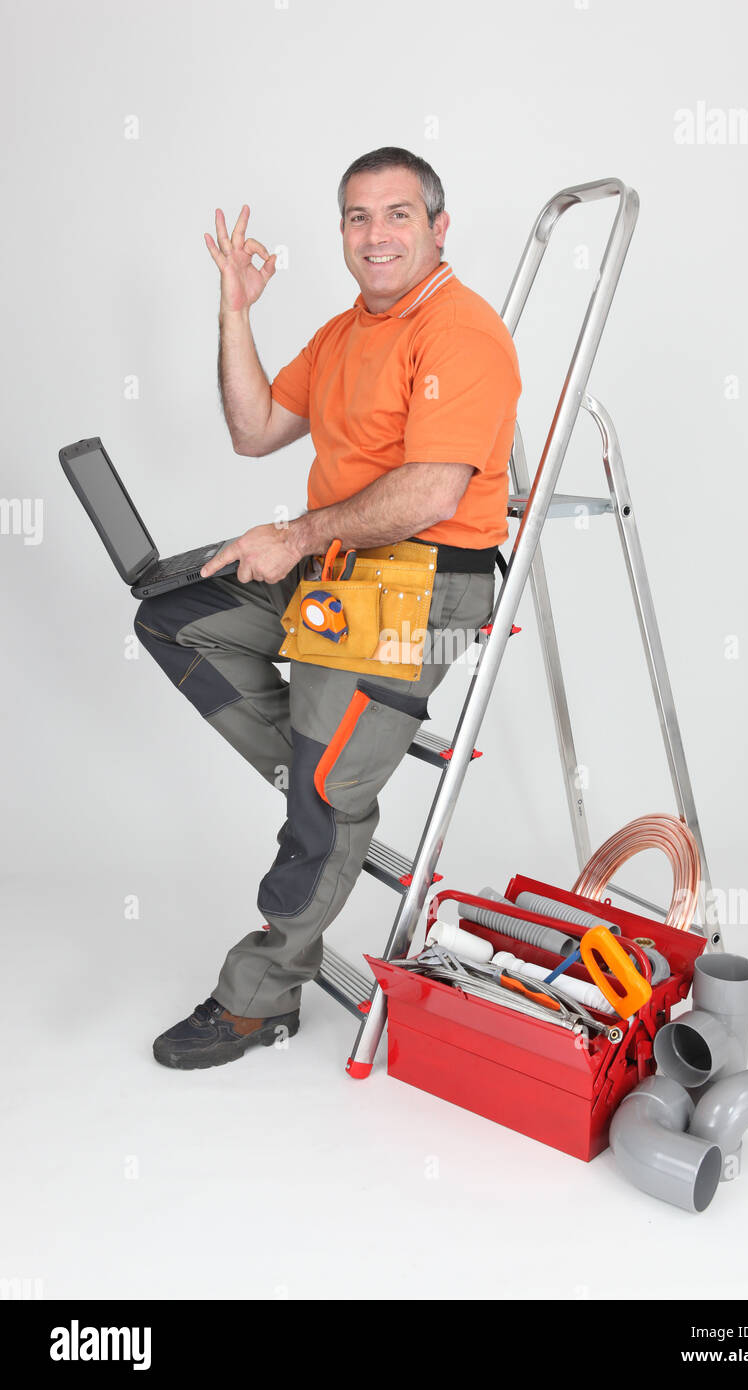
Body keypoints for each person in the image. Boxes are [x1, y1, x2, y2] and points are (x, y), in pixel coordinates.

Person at [139, 146, 522, 1070]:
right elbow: (254, 429)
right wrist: (235, 310)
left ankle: (260, 995)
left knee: (322, 790)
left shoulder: (462, 331)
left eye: (398, 214)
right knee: (175, 616)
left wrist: (295, 535)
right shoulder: (347, 331)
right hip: (339, 568)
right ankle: (331, 782)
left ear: (439, 228)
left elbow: (431, 491)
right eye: (358, 216)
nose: (375, 234)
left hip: (427, 584)